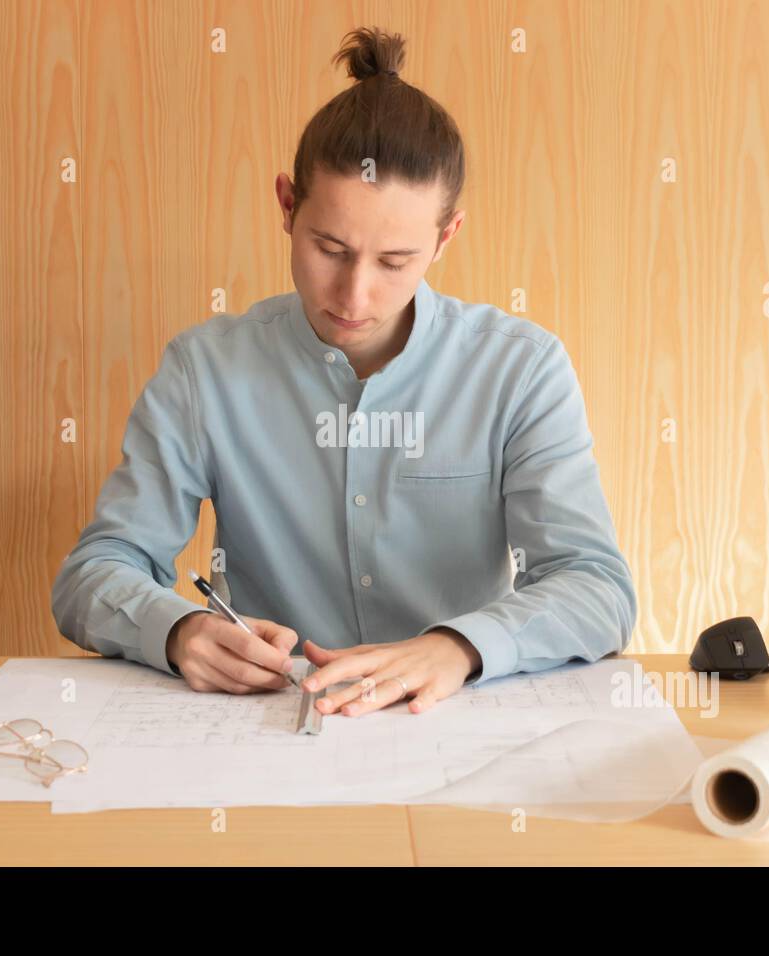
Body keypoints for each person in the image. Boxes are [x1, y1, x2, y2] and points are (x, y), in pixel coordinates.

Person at [51, 26, 636, 718]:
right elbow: (92, 575)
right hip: (272, 727)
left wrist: (458, 646)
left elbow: (597, 588)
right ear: (286, 206)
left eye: (395, 261)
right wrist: (177, 631)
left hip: (457, 720)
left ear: (445, 238)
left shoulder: (521, 370)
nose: (354, 296)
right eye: (330, 247)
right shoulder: (203, 370)